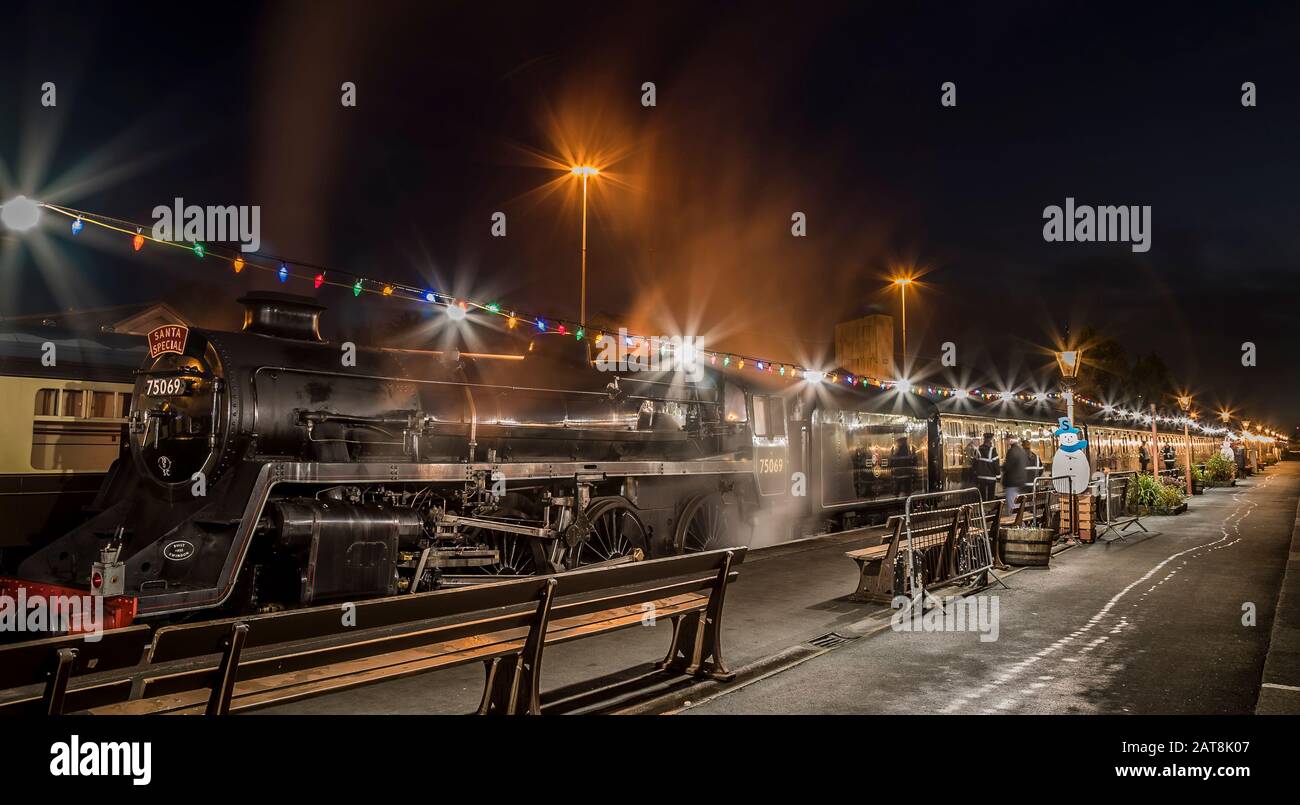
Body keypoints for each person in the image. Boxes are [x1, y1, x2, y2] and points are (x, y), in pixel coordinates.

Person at [1001, 436, 1028, 510]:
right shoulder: (1022, 451)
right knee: (1017, 504)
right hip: (1021, 482)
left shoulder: (1012, 451)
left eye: (1007, 440)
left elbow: (1007, 466)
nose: (1006, 441)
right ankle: (1019, 519)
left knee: (1012, 506)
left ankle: (1016, 520)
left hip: (1012, 482)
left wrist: (1002, 467)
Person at [975, 432, 1000, 503]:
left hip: (980, 478)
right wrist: (998, 476)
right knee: (990, 496)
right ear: (990, 440)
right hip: (991, 478)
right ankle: (989, 509)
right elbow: (996, 465)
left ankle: (983, 509)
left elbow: (975, 463)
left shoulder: (978, 449)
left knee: (982, 495)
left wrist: (976, 474)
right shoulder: (993, 450)